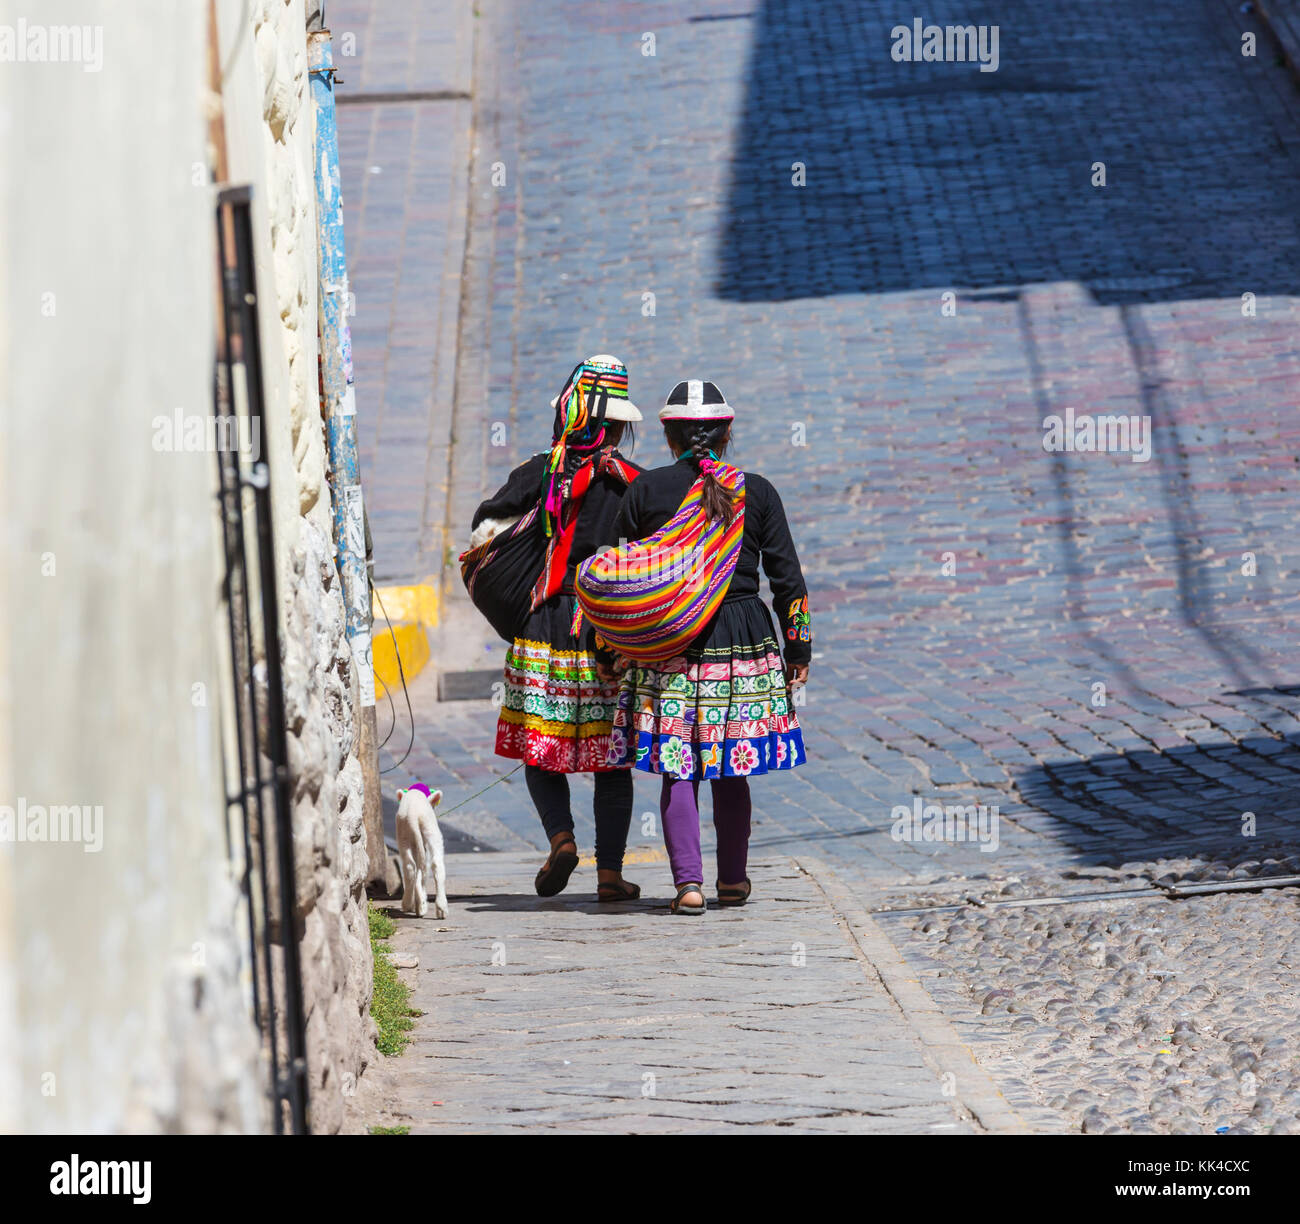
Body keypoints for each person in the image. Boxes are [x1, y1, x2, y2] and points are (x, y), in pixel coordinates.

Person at [600, 379, 810, 914]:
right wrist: (799, 649)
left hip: (670, 639)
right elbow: (788, 580)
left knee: (679, 764)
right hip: (742, 638)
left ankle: (688, 886)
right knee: (731, 762)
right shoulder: (756, 491)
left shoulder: (645, 493)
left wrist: (611, 645)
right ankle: (733, 882)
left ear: (668, 435)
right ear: (727, 433)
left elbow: (616, 576)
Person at [472, 355, 644, 900]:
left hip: (543, 624)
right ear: (615, 425)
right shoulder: (630, 485)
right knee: (612, 758)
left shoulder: (539, 472)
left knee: (539, 747)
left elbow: (484, 532)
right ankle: (611, 874)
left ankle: (562, 839)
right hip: (605, 633)